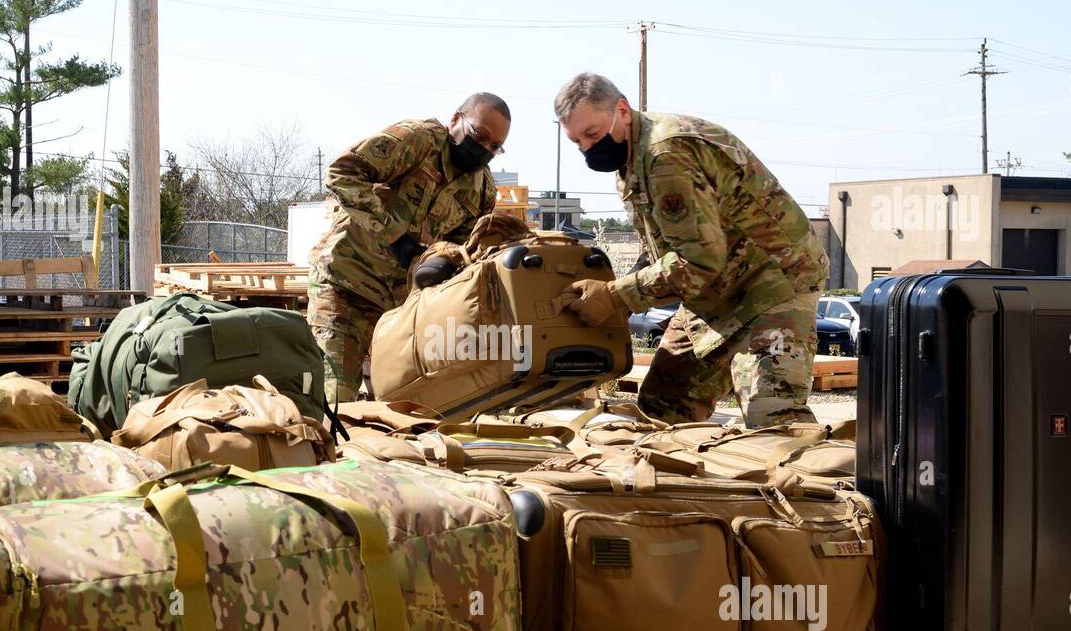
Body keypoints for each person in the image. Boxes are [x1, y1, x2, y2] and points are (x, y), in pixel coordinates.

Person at [554, 72, 828, 427]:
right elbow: (669, 246)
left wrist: (615, 297)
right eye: (577, 142)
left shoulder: (664, 153)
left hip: (771, 285)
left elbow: (698, 260)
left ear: (622, 110)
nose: (588, 148)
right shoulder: (630, 159)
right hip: (712, 292)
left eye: (592, 134)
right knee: (661, 410)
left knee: (773, 420)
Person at [308, 93, 512, 403]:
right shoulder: (417, 141)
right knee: (334, 400)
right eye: (479, 136)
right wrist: (395, 235)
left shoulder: (481, 190)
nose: (484, 149)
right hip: (346, 285)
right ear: (456, 119)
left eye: (495, 147)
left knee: (404, 407)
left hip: (400, 310)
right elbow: (342, 173)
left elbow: (460, 249)